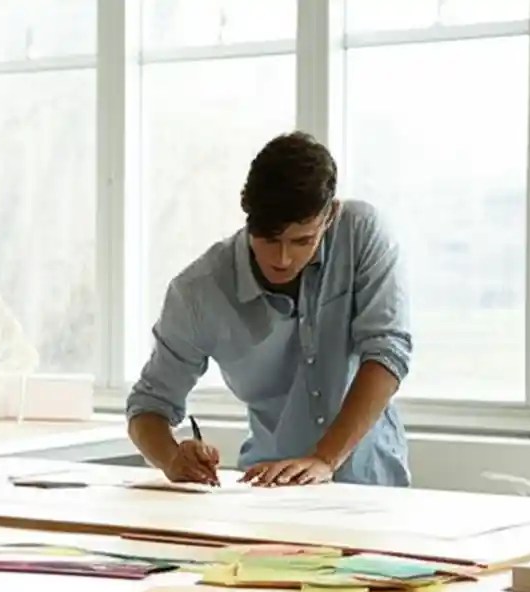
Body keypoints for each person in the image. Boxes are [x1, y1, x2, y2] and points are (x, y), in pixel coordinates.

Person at [125, 131, 412, 488]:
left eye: (302, 241)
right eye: (269, 239)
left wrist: (325, 458)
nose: (283, 258)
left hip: (375, 484)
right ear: (248, 216)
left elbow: (388, 351)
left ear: (330, 216)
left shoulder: (362, 232)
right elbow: (147, 406)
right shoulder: (198, 292)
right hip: (269, 489)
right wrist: (172, 458)